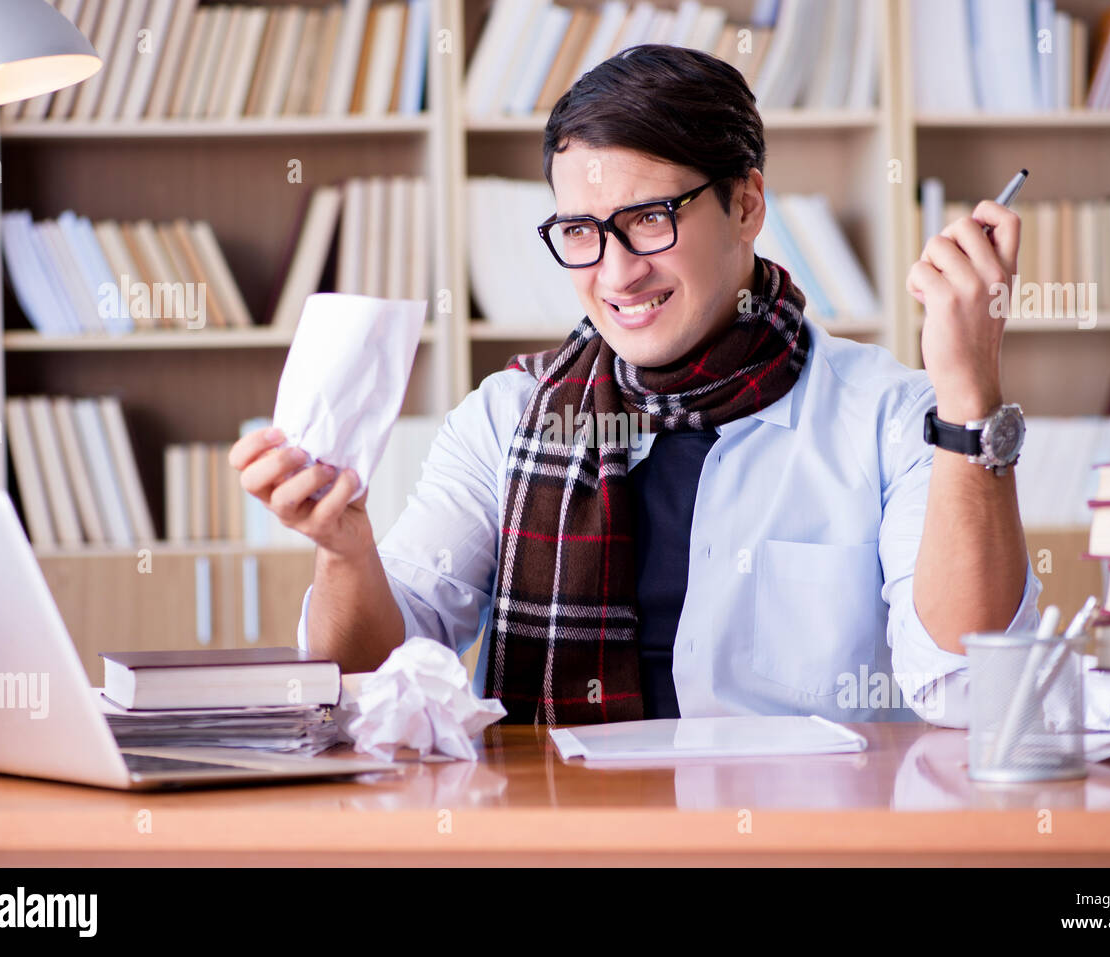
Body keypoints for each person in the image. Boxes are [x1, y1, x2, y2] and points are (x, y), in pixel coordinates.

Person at [230, 44, 1041, 727]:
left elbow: (973, 690)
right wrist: (343, 553)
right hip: (555, 836)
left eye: (651, 218)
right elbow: (369, 685)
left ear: (747, 203)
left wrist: (967, 395)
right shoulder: (508, 419)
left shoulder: (891, 417)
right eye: (581, 232)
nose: (616, 273)